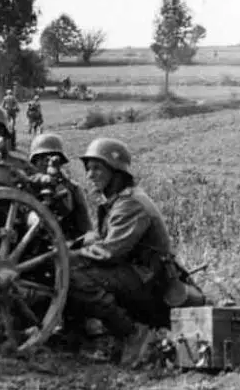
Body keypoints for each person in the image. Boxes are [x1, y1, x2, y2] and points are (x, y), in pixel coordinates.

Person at [65, 138, 172, 367]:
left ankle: (133, 334)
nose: (90, 175)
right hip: (138, 274)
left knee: (72, 275)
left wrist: (67, 255)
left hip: (150, 280)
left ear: (116, 172)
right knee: (73, 266)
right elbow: (104, 240)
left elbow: (111, 251)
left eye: (97, 168)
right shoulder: (117, 201)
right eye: (89, 169)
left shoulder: (130, 203)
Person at [28, 133, 92, 240]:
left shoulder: (73, 188)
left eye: (52, 159)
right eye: (42, 159)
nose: (48, 163)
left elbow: (85, 227)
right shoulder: (28, 185)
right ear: (35, 162)